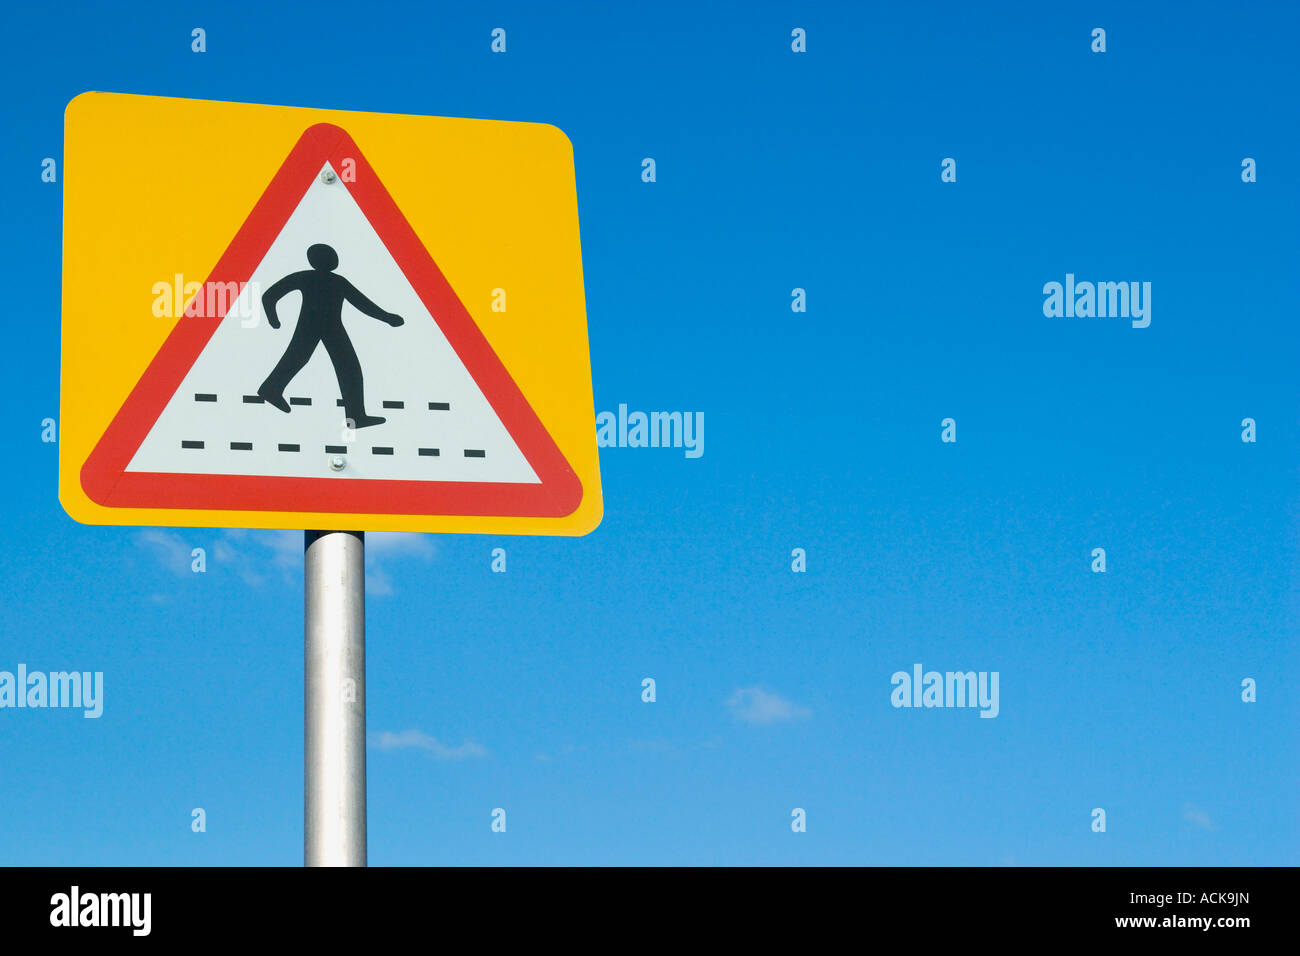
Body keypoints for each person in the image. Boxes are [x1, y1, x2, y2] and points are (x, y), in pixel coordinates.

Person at [257, 243, 403, 428]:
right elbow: (269, 296)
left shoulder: (325, 279)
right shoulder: (322, 279)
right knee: (340, 367)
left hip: (325, 327)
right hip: (319, 327)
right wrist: (273, 320)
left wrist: (387, 317)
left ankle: (272, 388)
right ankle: (355, 416)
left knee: (339, 366)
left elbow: (362, 303)